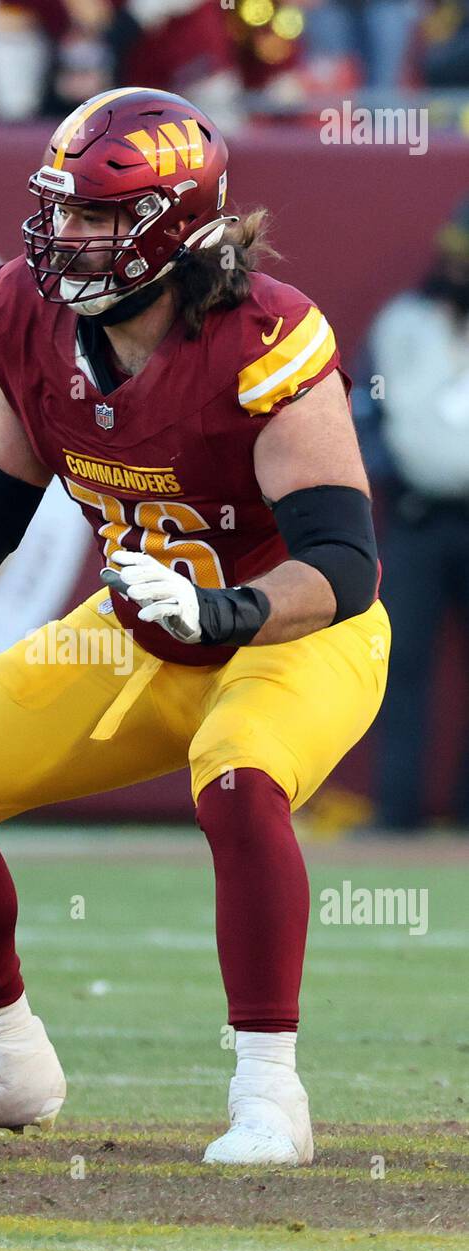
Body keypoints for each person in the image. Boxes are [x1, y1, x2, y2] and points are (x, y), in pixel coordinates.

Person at [0, 87, 389, 1167]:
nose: (65, 235)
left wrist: (225, 609)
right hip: (135, 631)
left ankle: (270, 1094)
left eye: (98, 217)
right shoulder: (26, 317)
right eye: (60, 208)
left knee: (238, 779)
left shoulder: (265, 334)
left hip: (289, 631)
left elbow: (346, 566)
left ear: (175, 222)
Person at [360, 197, 469, 829]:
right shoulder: (404, 321)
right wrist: (392, 476)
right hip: (419, 518)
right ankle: (396, 811)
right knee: (401, 666)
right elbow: (366, 409)